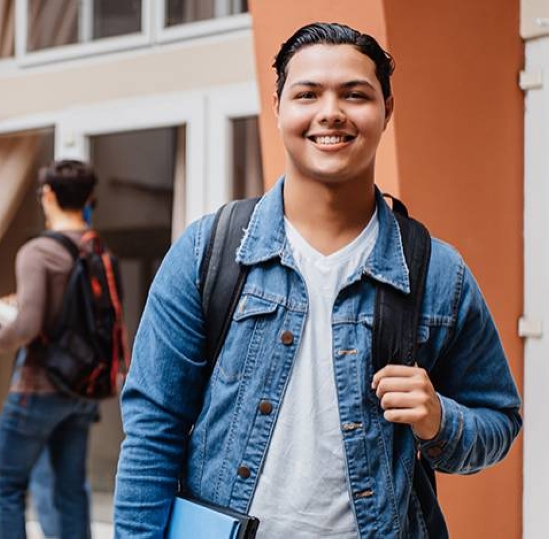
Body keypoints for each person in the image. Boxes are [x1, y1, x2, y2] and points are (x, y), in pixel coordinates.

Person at [114, 22, 522, 538]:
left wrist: (439, 418)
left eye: (355, 94)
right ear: (279, 105)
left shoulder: (439, 274)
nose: (331, 112)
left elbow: (500, 420)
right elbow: (152, 434)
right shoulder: (208, 253)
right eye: (308, 93)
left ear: (387, 110)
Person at [0, 159, 101, 539]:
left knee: (6, 487)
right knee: (71, 490)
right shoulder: (98, 250)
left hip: (38, 386)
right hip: (82, 388)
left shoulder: (37, 251)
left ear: (50, 195)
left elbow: (28, 326)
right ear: (88, 198)